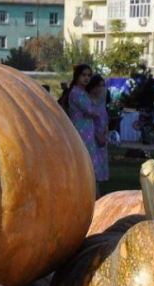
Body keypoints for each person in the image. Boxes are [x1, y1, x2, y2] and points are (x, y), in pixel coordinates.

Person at [67, 65, 106, 194]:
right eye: (83, 75)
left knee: (90, 159)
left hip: (88, 129)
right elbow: (89, 110)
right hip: (81, 130)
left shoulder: (83, 92)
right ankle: (86, 192)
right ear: (77, 76)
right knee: (85, 159)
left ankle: (92, 192)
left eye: (89, 75)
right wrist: (93, 112)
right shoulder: (75, 92)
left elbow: (90, 112)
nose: (86, 78)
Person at [137, 78, 154, 145]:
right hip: (148, 108)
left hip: (142, 108)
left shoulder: (143, 89)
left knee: (142, 124)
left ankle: (144, 138)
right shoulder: (151, 89)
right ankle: (146, 139)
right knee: (148, 124)